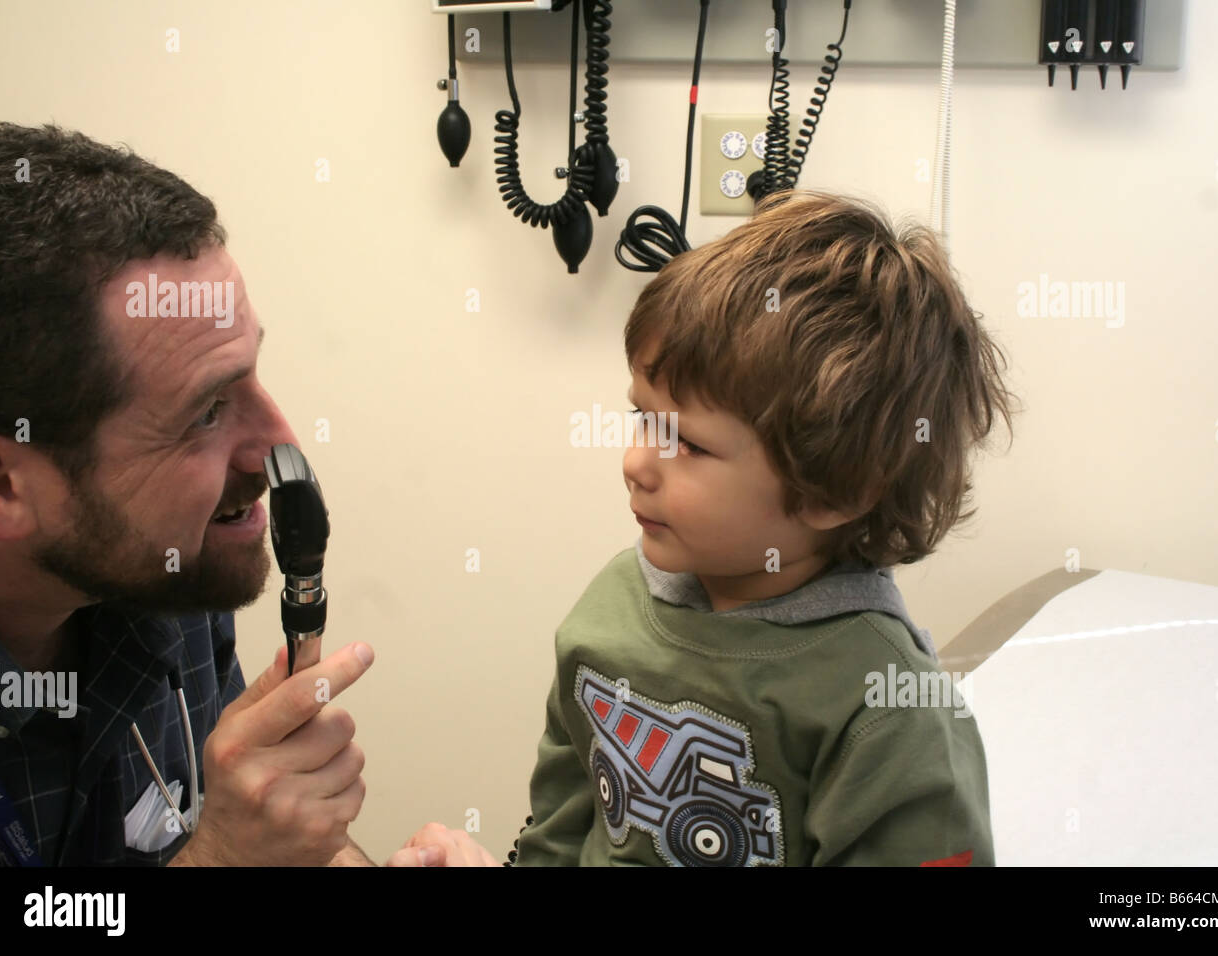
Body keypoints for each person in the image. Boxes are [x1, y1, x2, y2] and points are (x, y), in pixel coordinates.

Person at [417, 189, 1021, 866]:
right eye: (645, 418)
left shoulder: (888, 715)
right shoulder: (610, 610)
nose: (636, 462)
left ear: (837, 489)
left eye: (691, 445)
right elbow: (558, 835)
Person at [0, 121, 489, 867]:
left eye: (251, 372)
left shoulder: (166, 573)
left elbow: (264, 842)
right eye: (207, 411)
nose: (279, 443)